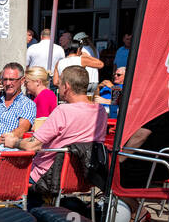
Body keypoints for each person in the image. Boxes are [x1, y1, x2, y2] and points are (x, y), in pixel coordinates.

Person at [10, 65, 108, 196]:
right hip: (83, 177)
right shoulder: (100, 111)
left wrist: (13, 142)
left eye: (60, 84)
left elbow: (32, 145)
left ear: (66, 86)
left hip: (47, 177)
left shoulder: (63, 111)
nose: (58, 87)